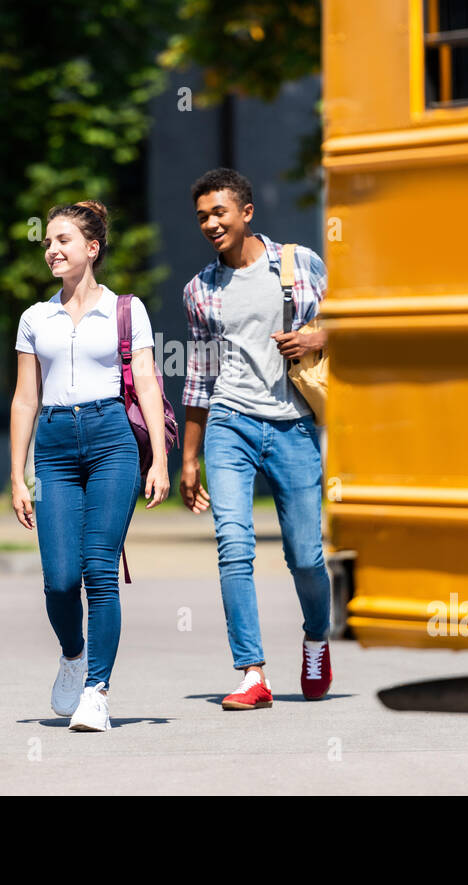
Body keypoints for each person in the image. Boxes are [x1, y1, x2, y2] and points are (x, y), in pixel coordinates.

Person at [10, 200, 170, 732]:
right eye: (48, 243)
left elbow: (146, 380)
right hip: (53, 448)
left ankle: (97, 691)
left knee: (99, 571)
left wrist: (160, 461)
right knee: (59, 579)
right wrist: (17, 474)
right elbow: (24, 399)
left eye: (64, 241)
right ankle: (73, 655)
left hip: (112, 442)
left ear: (92, 248)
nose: (52, 250)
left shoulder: (126, 309)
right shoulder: (35, 317)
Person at [179, 168, 333, 710]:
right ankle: (252, 672)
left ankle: (316, 638)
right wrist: (189, 457)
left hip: (292, 424)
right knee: (234, 547)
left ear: (246, 213)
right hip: (230, 422)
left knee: (306, 556)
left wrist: (319, 334)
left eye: (219, 212)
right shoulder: (200, 291)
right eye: (201, 216)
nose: (210, 223)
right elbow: (199, 376)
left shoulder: (298, 264)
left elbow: (364, 316)